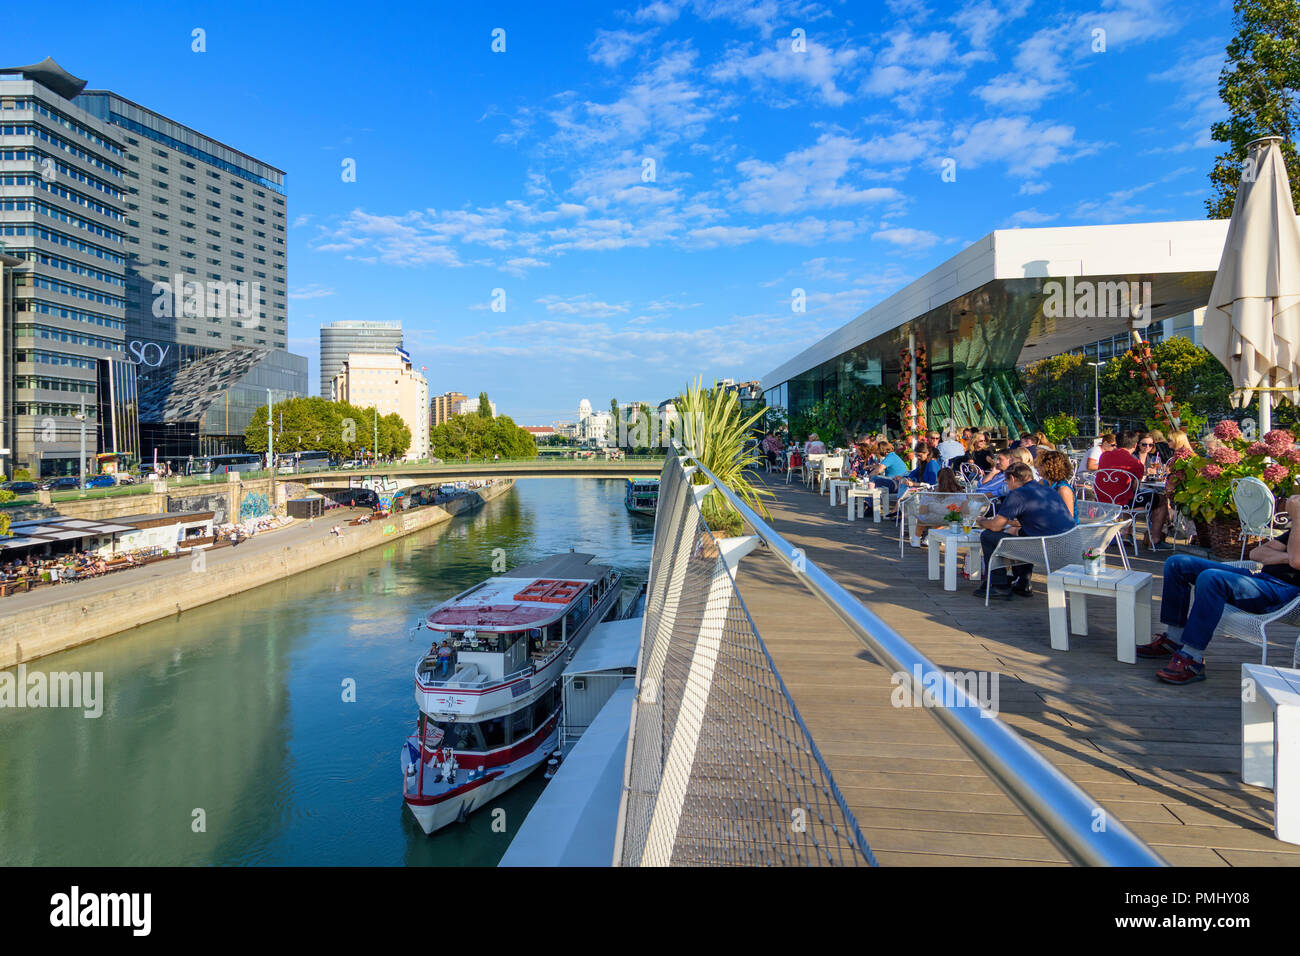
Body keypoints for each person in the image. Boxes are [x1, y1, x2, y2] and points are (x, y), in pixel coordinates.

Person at [1136, 497, 1300, 683]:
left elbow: (1296, 560)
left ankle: (1192, 658)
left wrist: (1297, 519)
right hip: (1260, 578)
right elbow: (1257, 554)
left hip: (1286, 593)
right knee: (1177, 564)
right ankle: (1174, 639)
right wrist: (1289, 555)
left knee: (1211, 578)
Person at [973, 462, 1076, 599]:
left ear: (1013, 479)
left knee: (988, 536)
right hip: (1067, 544)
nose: (1007, 485)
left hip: (1044, 548)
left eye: (1007, 481)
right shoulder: (1048, 490)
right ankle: (1023, 582)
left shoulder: (1018, 494)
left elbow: (996, 526)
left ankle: (999, 585)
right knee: (1022, 533)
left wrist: (982, 521)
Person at [1096, 431, 1145, 503]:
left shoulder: (1104, 455)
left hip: (1101, 499)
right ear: (1135, 445)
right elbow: (1136, 487)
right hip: (1122, 502)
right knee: (1159, 498)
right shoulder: (1136, 463)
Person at [1038, 449, 1077, 519]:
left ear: (1049, 467)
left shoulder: (1064, 490)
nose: (1037, 467)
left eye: (1040, 465)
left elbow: (1068, 519)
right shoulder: (1043, 483)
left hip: (1062, 528)